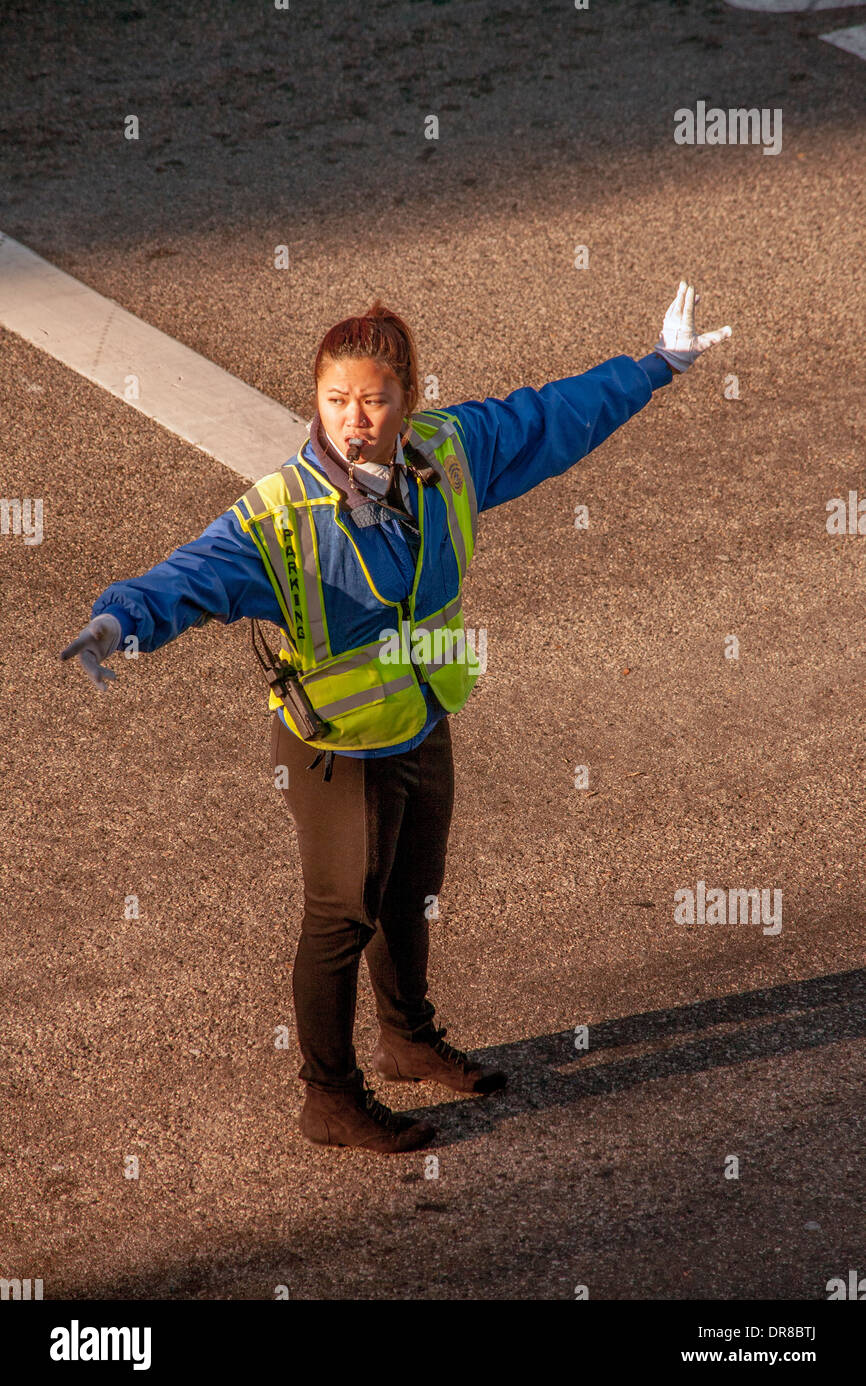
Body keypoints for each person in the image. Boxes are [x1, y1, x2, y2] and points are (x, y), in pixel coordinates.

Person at [60, 283, 731, 1155]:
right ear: (317, 402)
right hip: (336, 748)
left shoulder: (450, 451)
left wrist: (657, 366)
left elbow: (550, 418)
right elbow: (194, 572)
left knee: (412, 892)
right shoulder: (282, 516)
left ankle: (408, 1039)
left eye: (373, 400)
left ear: (407, 400)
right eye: (335, 401)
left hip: (423, 716)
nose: (353, 420)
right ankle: (329, 1099)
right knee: (342, 917)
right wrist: (121, 618)